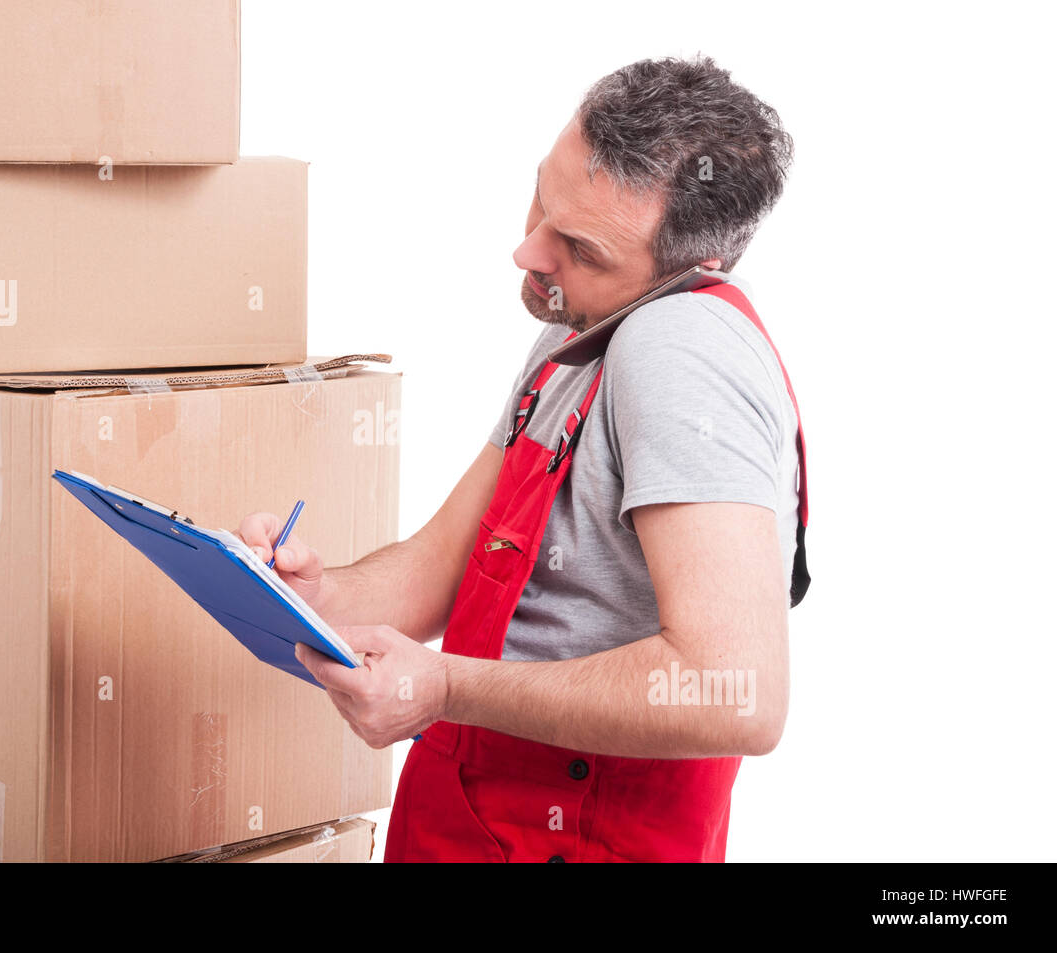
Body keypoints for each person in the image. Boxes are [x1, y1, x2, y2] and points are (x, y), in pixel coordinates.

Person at [238, 55, 807, 863]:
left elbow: (737, 693)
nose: (527, 250)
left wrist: (447, 687)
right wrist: (316, 594)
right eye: (544, 195)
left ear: (687, 270)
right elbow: (444, 563)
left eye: (578, 245)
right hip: (468, 824)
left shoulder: (681, 349)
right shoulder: (577, 332)